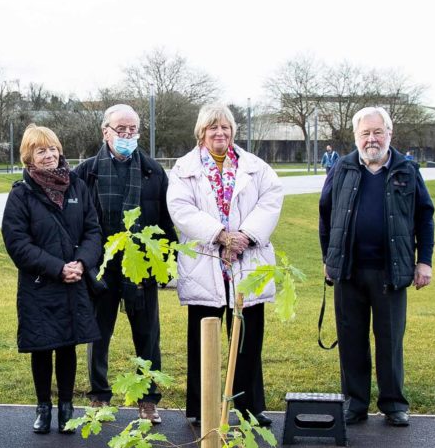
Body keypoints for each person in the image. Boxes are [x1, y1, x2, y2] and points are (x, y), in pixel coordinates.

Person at [166, 103, 284, 428]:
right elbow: (181, 208)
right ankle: (200, 408)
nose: (220, 133)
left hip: (246, 263)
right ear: (201, 132)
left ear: (233, 131)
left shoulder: (256, 167)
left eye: (225, 128)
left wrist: (244, 236)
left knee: (246, 338)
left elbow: (271, 200)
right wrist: (219, 235)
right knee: (203, 339)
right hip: (206, 265)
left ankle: (248, 409)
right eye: (212, 128)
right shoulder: (184, 168)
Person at [319, 106, 435, 426]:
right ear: (356, 136)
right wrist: (327, 259)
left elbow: (425, 217)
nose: (372, 139)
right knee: (351, 339)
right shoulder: (341, 168)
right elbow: (326, 216)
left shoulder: (407, 170)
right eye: (365, 133)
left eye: (377, 132)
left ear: (389, 134)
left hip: (391, 271)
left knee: (389, 340)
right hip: (349, 270)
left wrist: (423, 261)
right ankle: (354, 402)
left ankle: (393, 402)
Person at [71, 104, 176, 421]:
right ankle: (99, 396)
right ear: (106, 131)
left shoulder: (152, 171)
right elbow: (75, 222)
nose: (128, 135)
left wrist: (163, 261)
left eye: (133, 129)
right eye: (121, 129)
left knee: (148, 336)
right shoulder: (85, 171)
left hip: (140, 267)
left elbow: (165, 222)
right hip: (100, 266)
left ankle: (148, 399)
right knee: (98, 335)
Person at [2, 125, 104, 435]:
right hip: (40, 285)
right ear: (28, 157)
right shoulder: (21, 194)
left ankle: (66, 408)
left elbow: (93, 230)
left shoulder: (77, 187)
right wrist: (57, 268)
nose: (49, 155)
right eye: (40, 151)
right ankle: (43, 406)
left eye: (52, 149)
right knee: (42, 346)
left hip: (75, 282)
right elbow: (17, 243)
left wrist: (82, 262)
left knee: (68, 346)